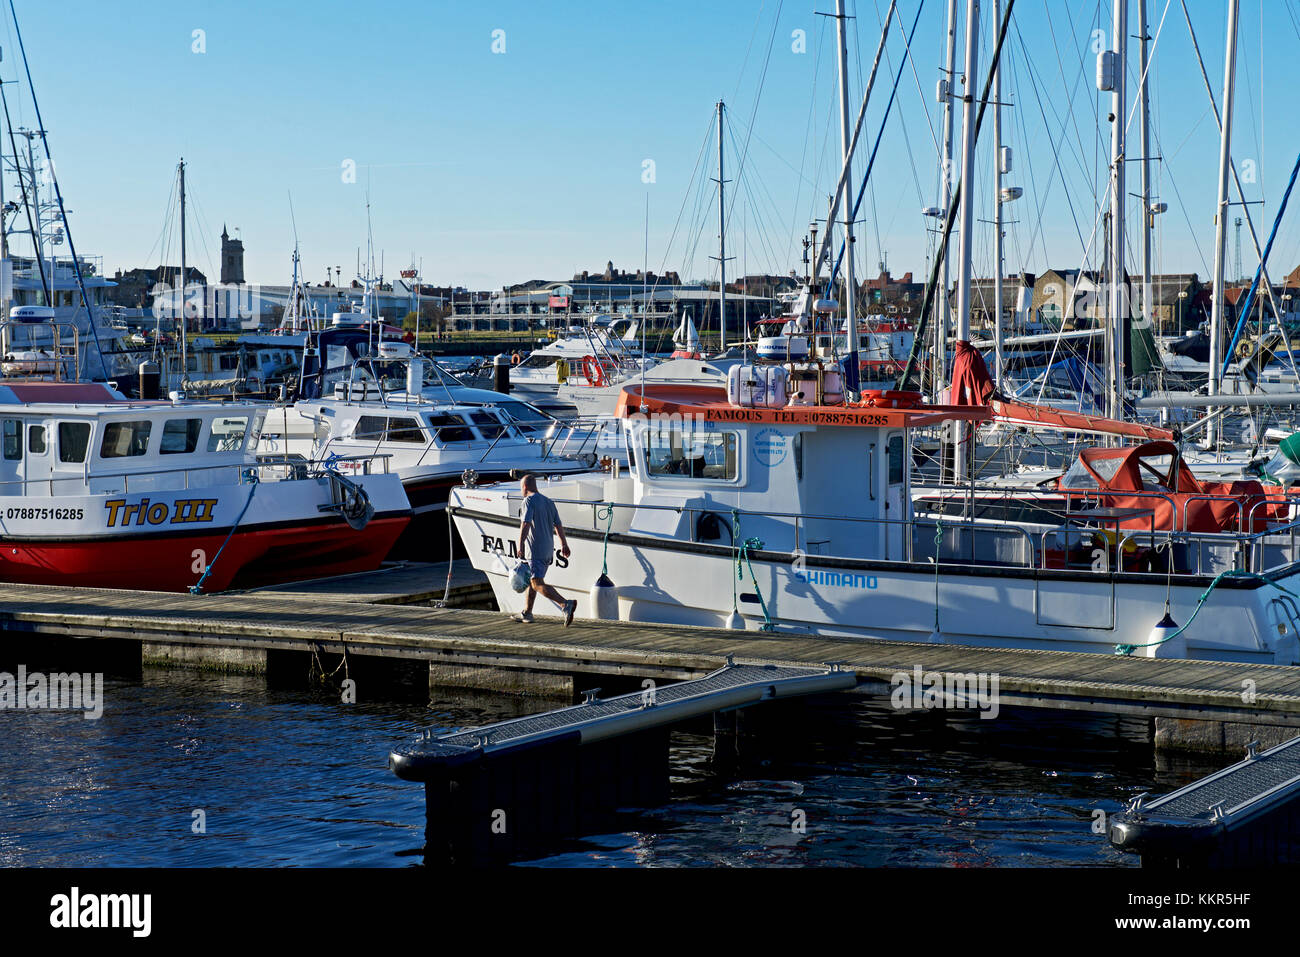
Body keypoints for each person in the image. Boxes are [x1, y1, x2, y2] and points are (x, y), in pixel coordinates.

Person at [513, 473, 577, 626]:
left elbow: (526, 524)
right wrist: (564, 544)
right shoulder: (548, 502)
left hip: (535, 549)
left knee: (536, 583)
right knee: (533, 580)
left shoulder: (528, 501)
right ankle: (527, 612)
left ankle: (565, 604)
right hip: (548, 549)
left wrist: (520, 543)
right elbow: (558, 525)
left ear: (525, 486)